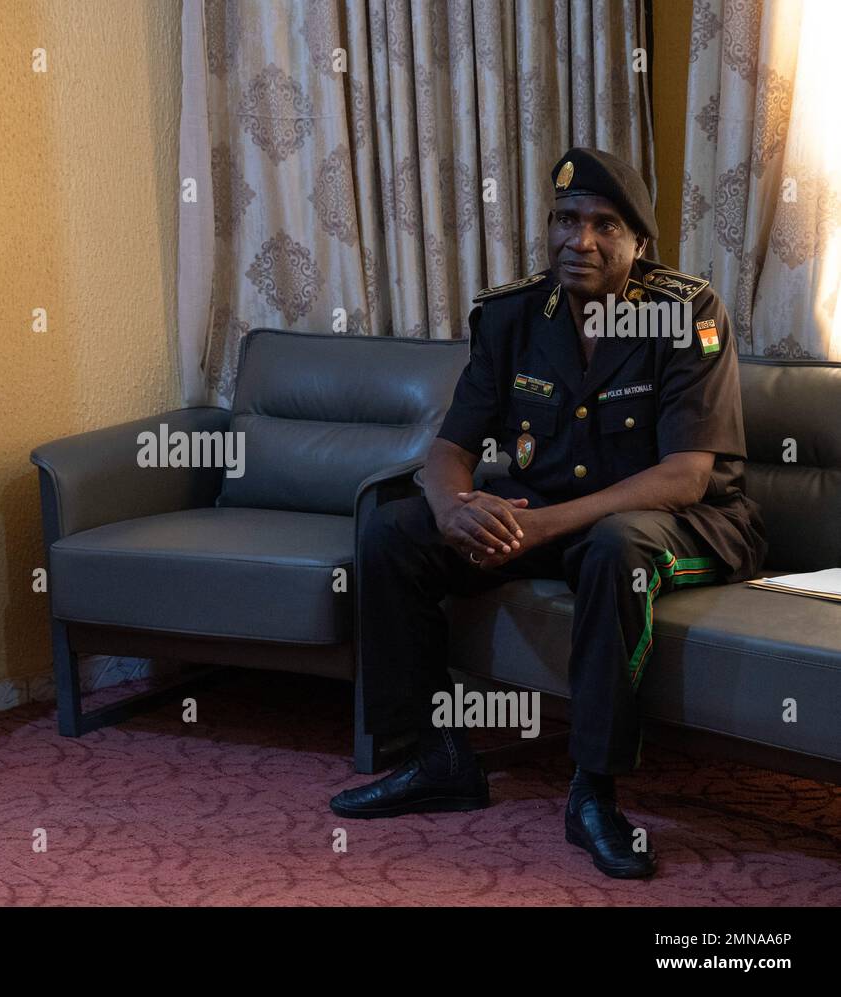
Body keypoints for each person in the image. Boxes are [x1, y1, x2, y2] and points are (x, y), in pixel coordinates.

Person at [329, 147, 768, 879]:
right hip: (561, 514)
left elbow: (686, 476)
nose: (579, 240)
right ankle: (436, 755)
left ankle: (594, 791)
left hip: (688, 522)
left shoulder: (685, 314)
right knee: (393, 529)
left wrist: (539, 524)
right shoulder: (514, 315)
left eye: (603, 225)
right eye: (565, 220)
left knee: (614, 548)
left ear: (637, 243)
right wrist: (451, 508)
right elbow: (450, 449)